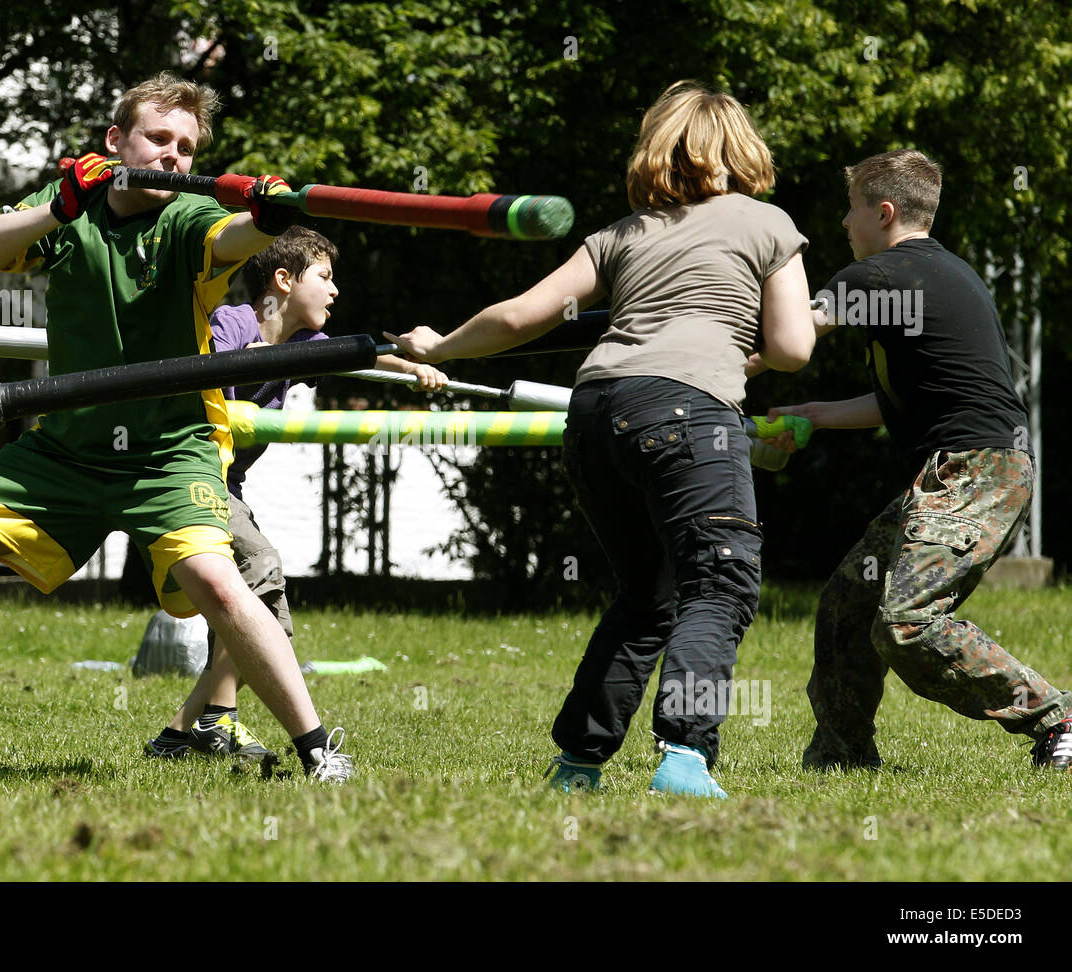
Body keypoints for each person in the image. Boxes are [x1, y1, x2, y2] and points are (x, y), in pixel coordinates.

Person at [0, 73, 354, 783]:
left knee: (223, 589)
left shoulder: (187, 219)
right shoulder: (68, 207)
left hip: (170, 453)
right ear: (115, 140)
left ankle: (319, 754)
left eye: (186, 148)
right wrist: (60, 206)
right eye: (158, 139)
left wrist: (270, 218)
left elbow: (234, 239)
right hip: (67, 450)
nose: (172, 158)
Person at [387, 81, 816, 797]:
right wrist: (740, 350)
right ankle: (684, 756)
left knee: (648, 596)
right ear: (744, 149)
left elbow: (526, 315)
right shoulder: (766, 222)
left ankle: (578, 764)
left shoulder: (622, 233)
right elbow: (794, 346)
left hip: (593, 413)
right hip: (690, 415)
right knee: (721, 583)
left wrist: (440, 346)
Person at [763, 149, 1072, 773]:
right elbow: (899, 402)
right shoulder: (939, 275)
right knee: (848, 603)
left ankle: (1056, 715)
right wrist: (814, 414)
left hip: (976, 470)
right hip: (963, 467)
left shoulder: (876, 276)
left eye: (851, 210)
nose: (842, 225)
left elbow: (781, 342)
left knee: (904, 620)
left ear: (883, 212)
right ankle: (843, 756)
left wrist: (685, 363)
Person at [142, 225, 447, 766]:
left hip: (226, 485)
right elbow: (199, 369)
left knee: (252, 602)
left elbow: (364, 357)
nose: (334, 291)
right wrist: (255, 356)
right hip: (188, 474)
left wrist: (414, 367)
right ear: (282, 281)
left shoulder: (303, 345)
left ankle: (191, 729)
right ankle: (221, 726)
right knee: (260, 574)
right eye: (324, 278)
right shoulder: (230, 323)